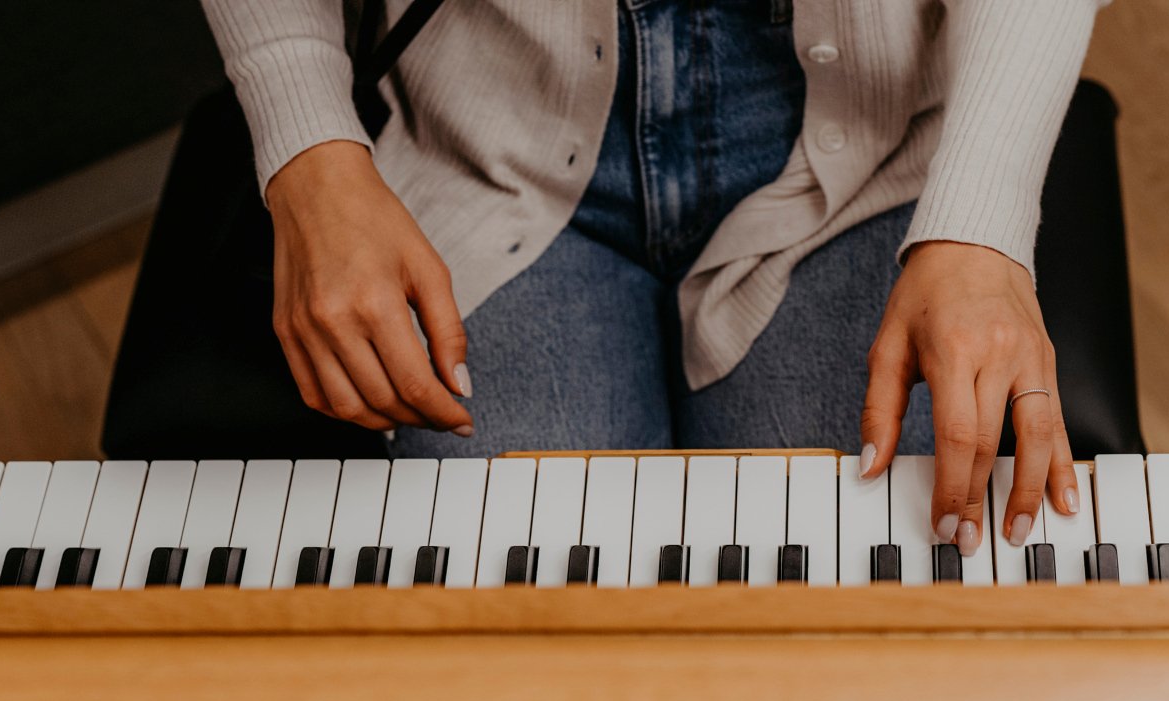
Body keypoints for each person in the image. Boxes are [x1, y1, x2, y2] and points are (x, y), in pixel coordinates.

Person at [202, 0, 1104, 555]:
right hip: (491, 136)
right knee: (523, 680)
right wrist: (310, 152)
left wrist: (980, 228)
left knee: (848, 654)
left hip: (865, 149)